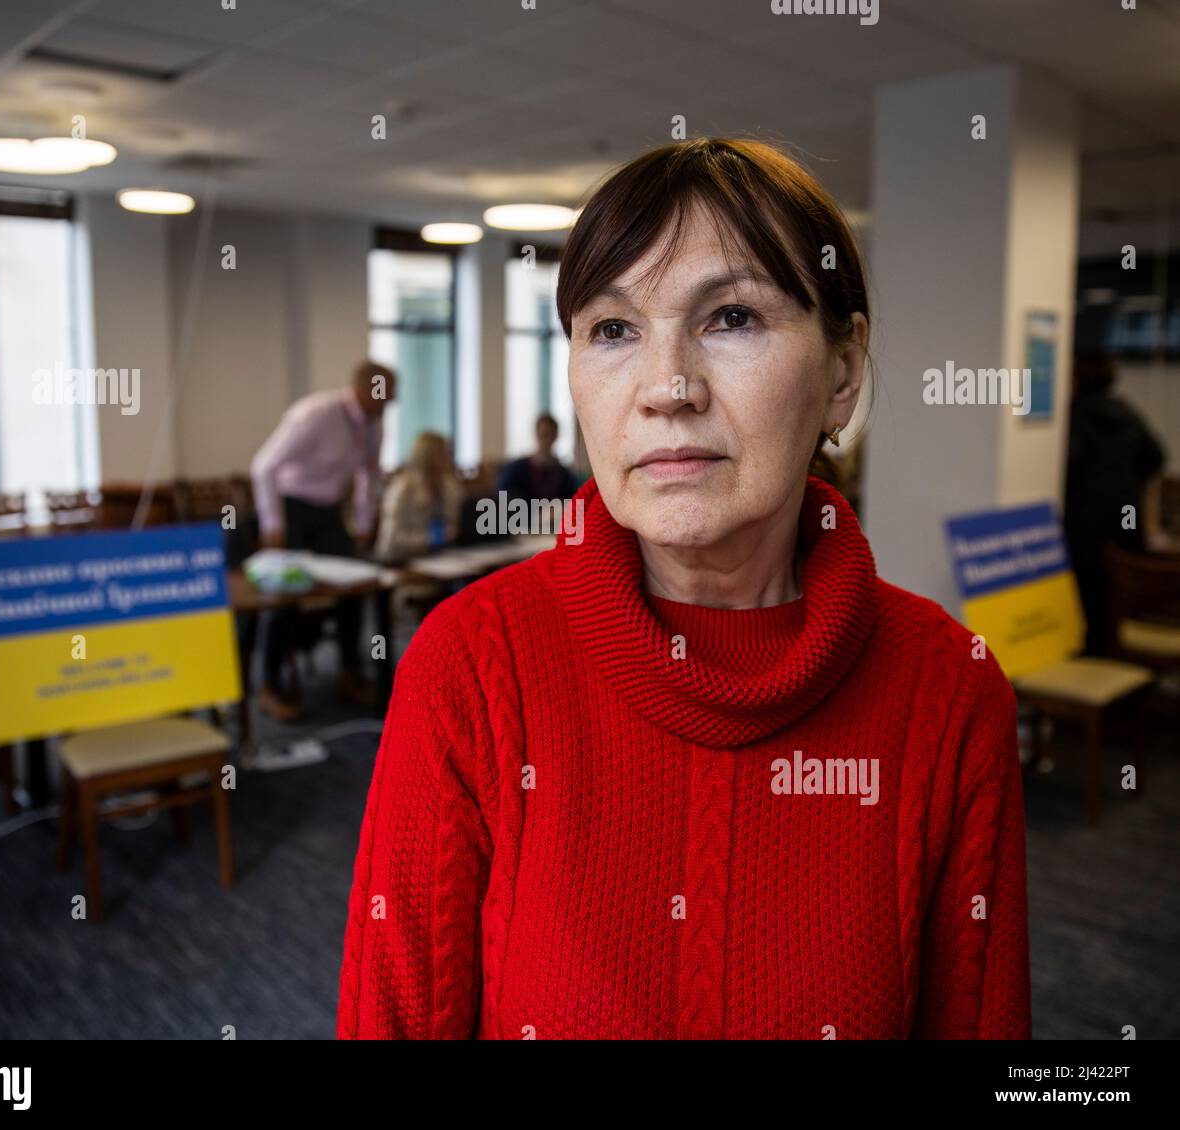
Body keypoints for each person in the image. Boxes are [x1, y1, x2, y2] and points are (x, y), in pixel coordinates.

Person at [337, 138, 1031, 1039]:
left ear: (843, 373)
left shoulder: (947, 688)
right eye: (614, 330)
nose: (666, 388)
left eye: (732, 316)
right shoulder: (471, 664)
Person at [250, 360, 397, 719]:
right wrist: (273, 524)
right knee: (285, 597)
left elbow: (370, 475)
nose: (391, 402)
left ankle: (350, 674)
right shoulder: (317, 414)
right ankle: (270, 685)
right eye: (386, 394)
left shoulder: (373, 425)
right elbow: (263, 466)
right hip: (291, 507)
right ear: (365, 389)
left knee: (353, 585)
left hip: (329, 512)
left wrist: (364, 522)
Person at [1063, 349, 1168, 655]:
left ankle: (1096, 653)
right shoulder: (1127, 412)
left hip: (1084, 520)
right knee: (1119, 583)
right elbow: (1155, 457)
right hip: (1126, 512)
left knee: (1088, 593)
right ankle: (1113, 648)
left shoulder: (1074, 416)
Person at [374, 431, 464, 561]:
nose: (449, 459)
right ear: (429, 457)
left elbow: (454, 524)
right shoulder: (402, 490)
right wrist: (430, 539)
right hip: (399, 562)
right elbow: (393, 539)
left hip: (436, 558)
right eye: (444, 454)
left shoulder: (450, 487)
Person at [496, 413, 578, 505]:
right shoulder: (517, 469)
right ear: (537, 434)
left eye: (551, 434)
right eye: (544, 434)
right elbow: (503, 496)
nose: (547, 439)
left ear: (556, 436)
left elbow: (572, 502)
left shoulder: (564, 475)